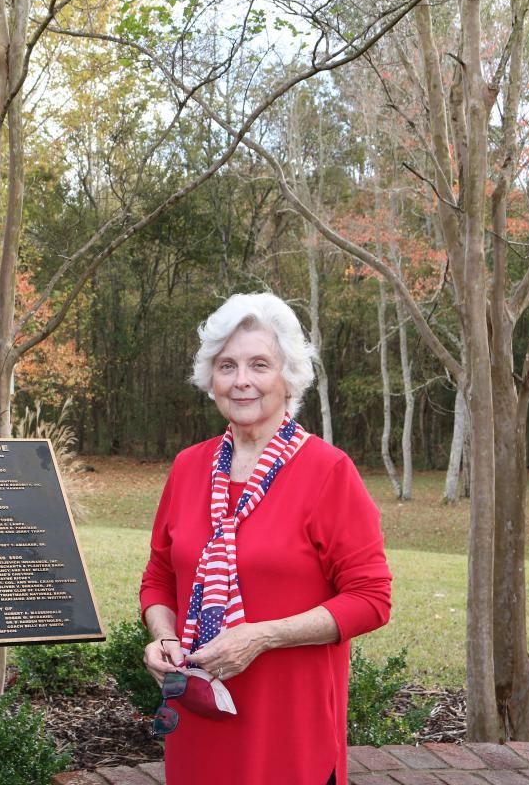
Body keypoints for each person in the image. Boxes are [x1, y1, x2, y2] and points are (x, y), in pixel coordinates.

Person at [140, 292, 392, 785]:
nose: (242, 381)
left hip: (288, 727)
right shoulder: (188, 467)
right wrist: (164, 637)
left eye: (259, 364)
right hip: (198, 716)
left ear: (288, 377)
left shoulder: (327, 472)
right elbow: (159, 579)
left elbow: (371, 599)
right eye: (227, 365)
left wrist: (262, 636)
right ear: (210, 377)